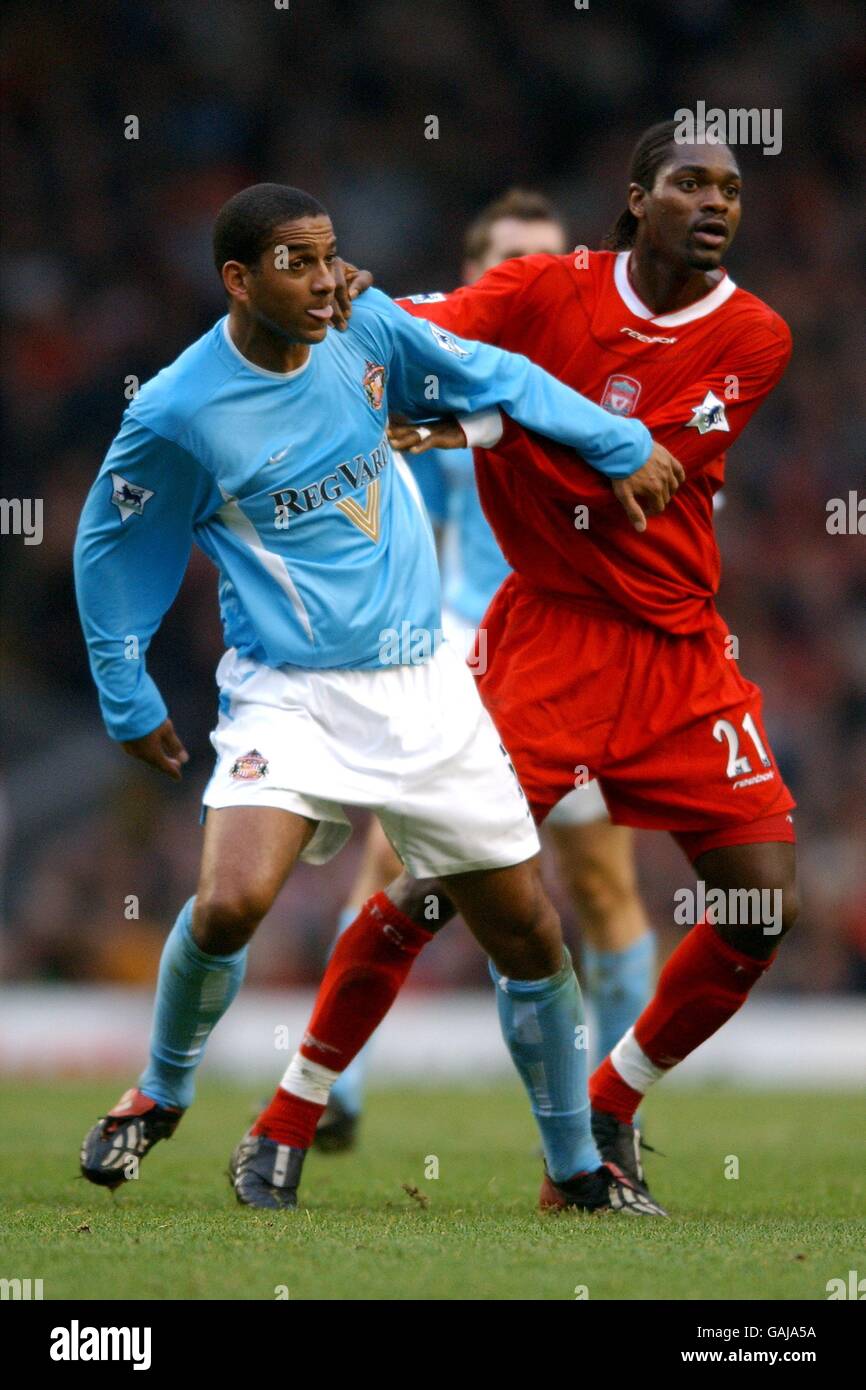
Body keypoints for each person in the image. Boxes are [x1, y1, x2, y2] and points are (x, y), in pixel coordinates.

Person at [74, 182, 680, 1214]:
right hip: (289, 695)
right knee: (228, 903)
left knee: (529, 934)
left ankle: (578, 1169)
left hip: (426, 689)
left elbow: (489, 371)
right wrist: (126, 692)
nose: (324, 281)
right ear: (238, 278)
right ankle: (160, 1092)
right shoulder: (179, 408)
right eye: (297, 264)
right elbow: (114, 540)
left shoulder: (368, 330)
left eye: (329, 257)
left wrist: (615, 442)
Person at [313, 119, 798, 1195]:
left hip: (675, 649)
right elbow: (420, 342)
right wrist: (351, 304)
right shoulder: (544, 291)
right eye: (689, 183)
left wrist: (484, 422)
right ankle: (302, 1101)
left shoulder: (754, 334)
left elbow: (639, 474)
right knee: (433, 881)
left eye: (729, 188)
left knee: (758, 904)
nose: (716, 203)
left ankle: (609, 1100)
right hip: (541, 636)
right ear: (635, 199)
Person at [317, 190, 655, 1153]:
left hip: (583, 641)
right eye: (512, 257)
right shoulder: (431, 380)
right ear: (475, 273)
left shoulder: (597, 378)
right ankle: (336, 1083)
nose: (534, 274)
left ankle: (612, 1102)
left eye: (551, 260)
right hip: (465, 636)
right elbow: (390, 509)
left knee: (598, 881)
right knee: (404, 855)